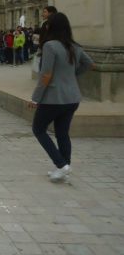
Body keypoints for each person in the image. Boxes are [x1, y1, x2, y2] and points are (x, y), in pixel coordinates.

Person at [30, 12, 94, 182]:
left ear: (51, 27)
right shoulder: (74, 46)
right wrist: (72, 76)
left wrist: (36, 97)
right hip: (72, 97)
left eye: (47, 23)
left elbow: (46, 75)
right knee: (62, 133)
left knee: (38, 129)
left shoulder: (50, 46)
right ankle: (64, 167)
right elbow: (89, 63)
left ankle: (61, 164)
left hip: (53, 98)